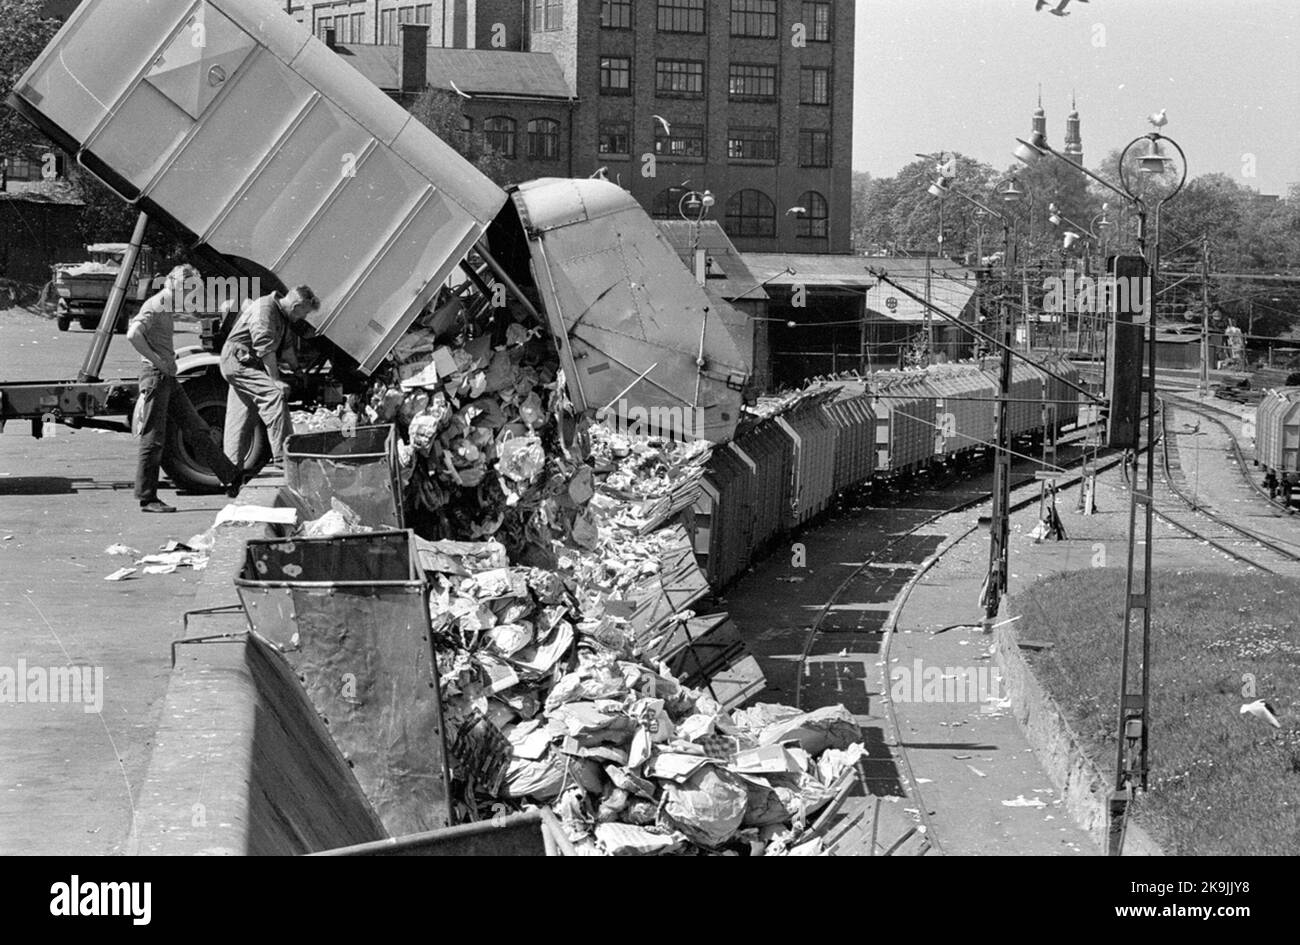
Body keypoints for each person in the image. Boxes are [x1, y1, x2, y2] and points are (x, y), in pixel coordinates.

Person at [127, 265, 243, 513]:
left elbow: (193, 313)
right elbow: (133, 334)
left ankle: (232, 478)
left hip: (167, 377)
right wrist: (156, 360)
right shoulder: (157, 304)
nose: (191, 294)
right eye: (189, 289)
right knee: (153, 438)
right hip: (156, 377)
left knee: (197, 428)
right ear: (175, 284)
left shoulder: (167, 303)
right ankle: (147, 498)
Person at [220, 285, 320, 471]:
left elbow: (287, 348)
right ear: (296, 305)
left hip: (246, 364)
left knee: (240, 418)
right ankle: (285, 459)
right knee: (274, 395)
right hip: (239, 363)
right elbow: (264, 348)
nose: (303, 318)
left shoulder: (281, 315)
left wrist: (298, 371)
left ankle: (230, 473)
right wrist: (275, 380)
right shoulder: (264, 309)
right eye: (303, 313)